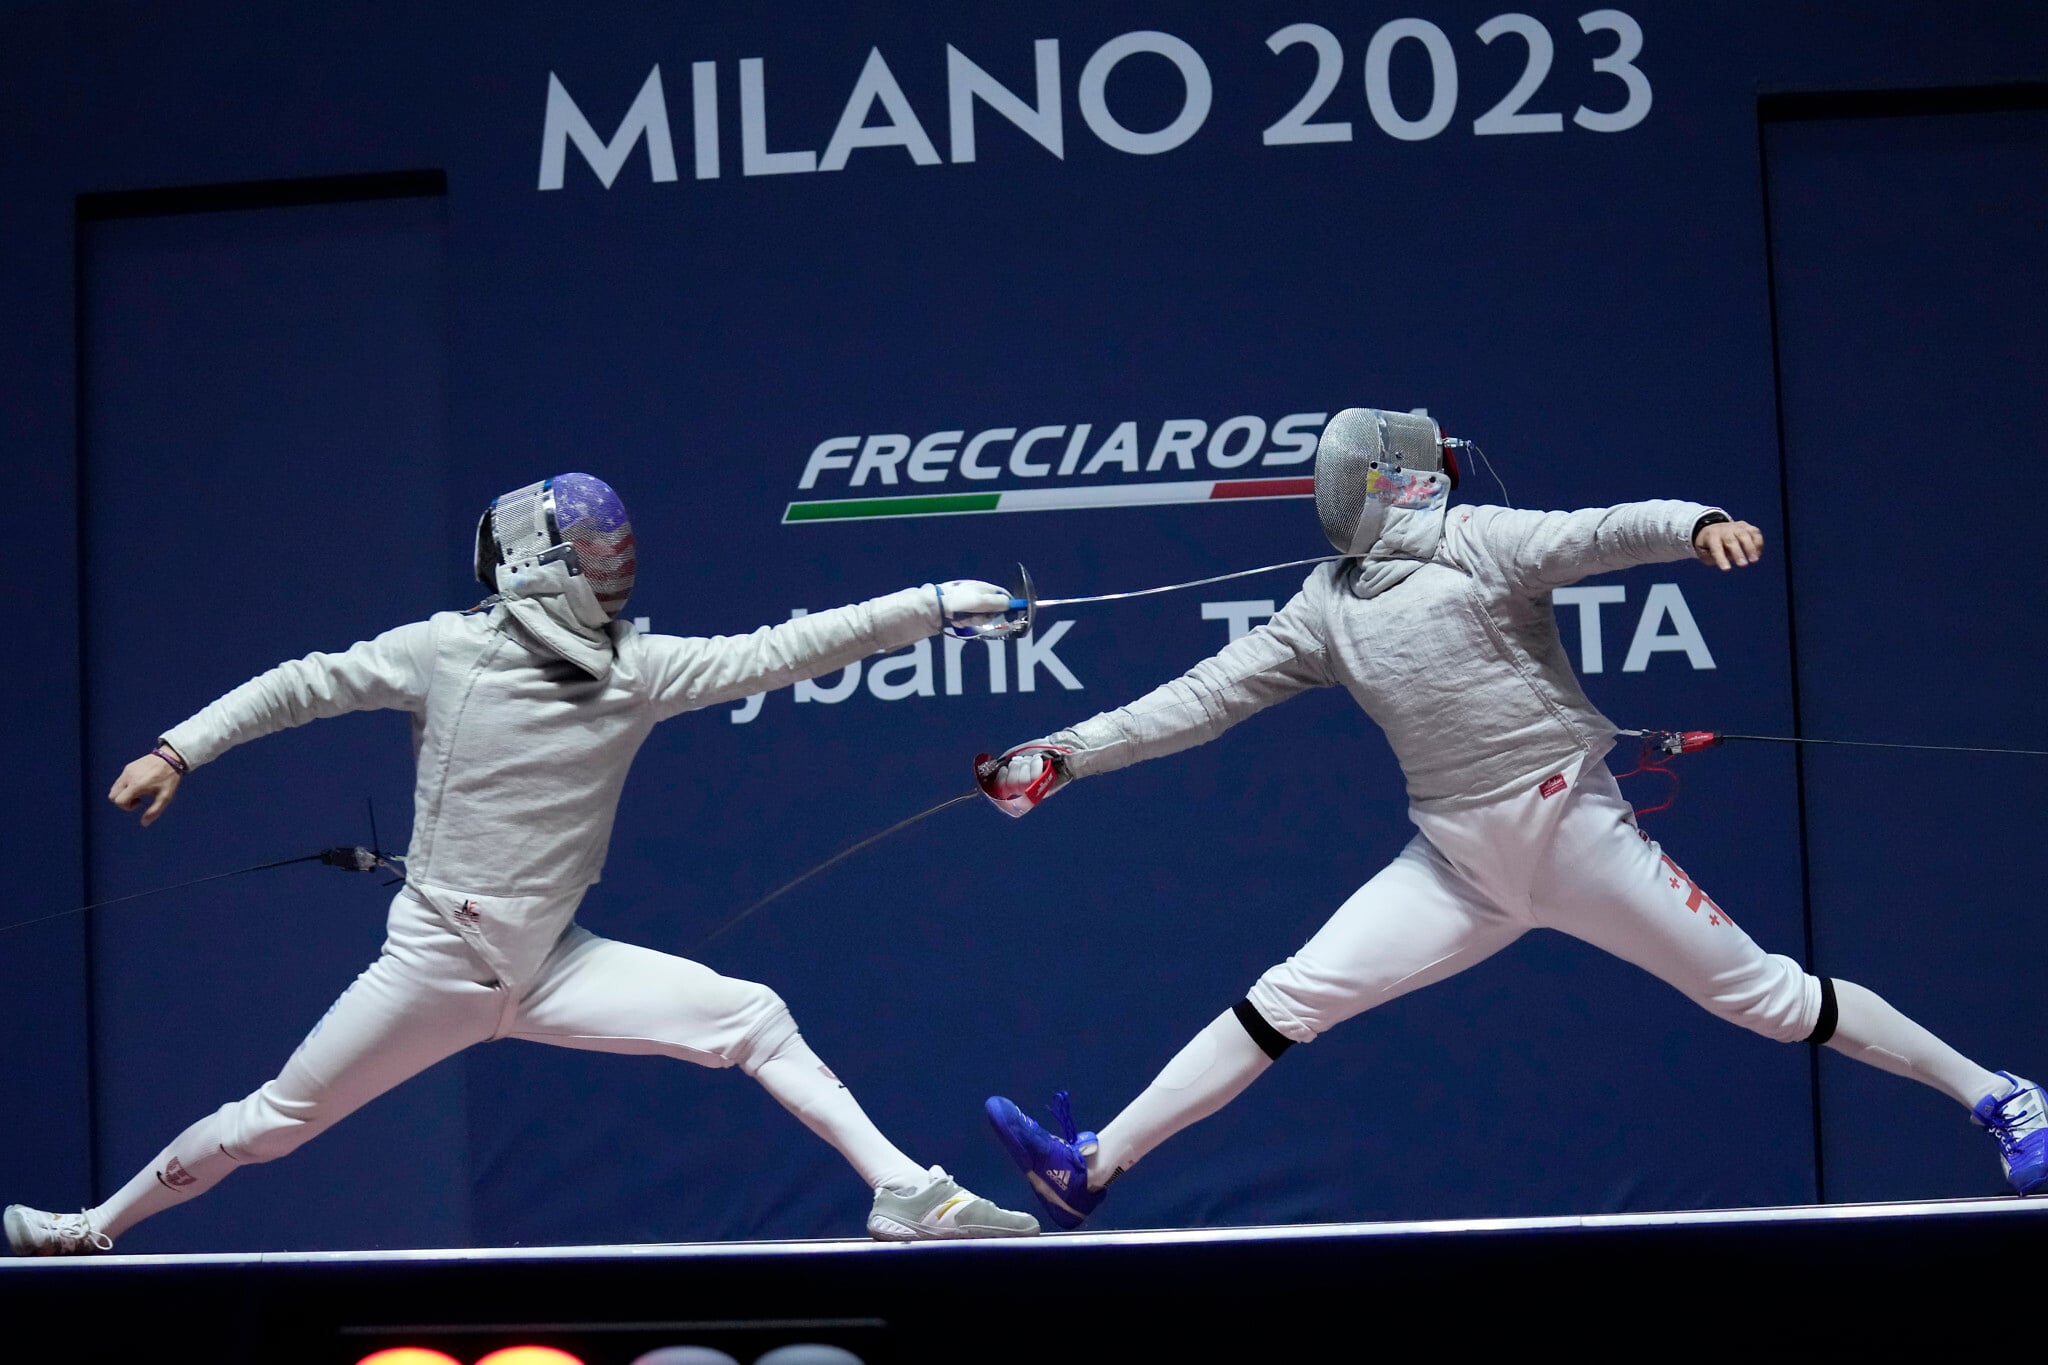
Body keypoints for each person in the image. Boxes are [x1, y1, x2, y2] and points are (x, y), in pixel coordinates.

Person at [977, 408, 2046, 1230]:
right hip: (1450, 866)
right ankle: (1092, 1169)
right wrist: (1065, 755)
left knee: (1764, 998)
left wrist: (1695, 527)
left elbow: (1596, 533)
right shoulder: (1323, 605)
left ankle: (1998, 1098)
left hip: (1572, 837)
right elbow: (1200, 697)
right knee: (1284, 1001)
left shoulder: (1478, 541)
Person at [5, 472, 1038, 1255]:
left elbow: (787, 648)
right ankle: (94, 1226)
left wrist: (934, 601)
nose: (616, 567)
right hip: (436, 966)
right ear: (541, 562)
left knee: (750, 1017)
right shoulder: (441, 651)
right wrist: (178, 747)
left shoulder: (641, 666)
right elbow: (301, 684)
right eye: (596, 552)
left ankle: (904, 1191)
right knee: (273, 1123)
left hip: (550, 964)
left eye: (618, 549)